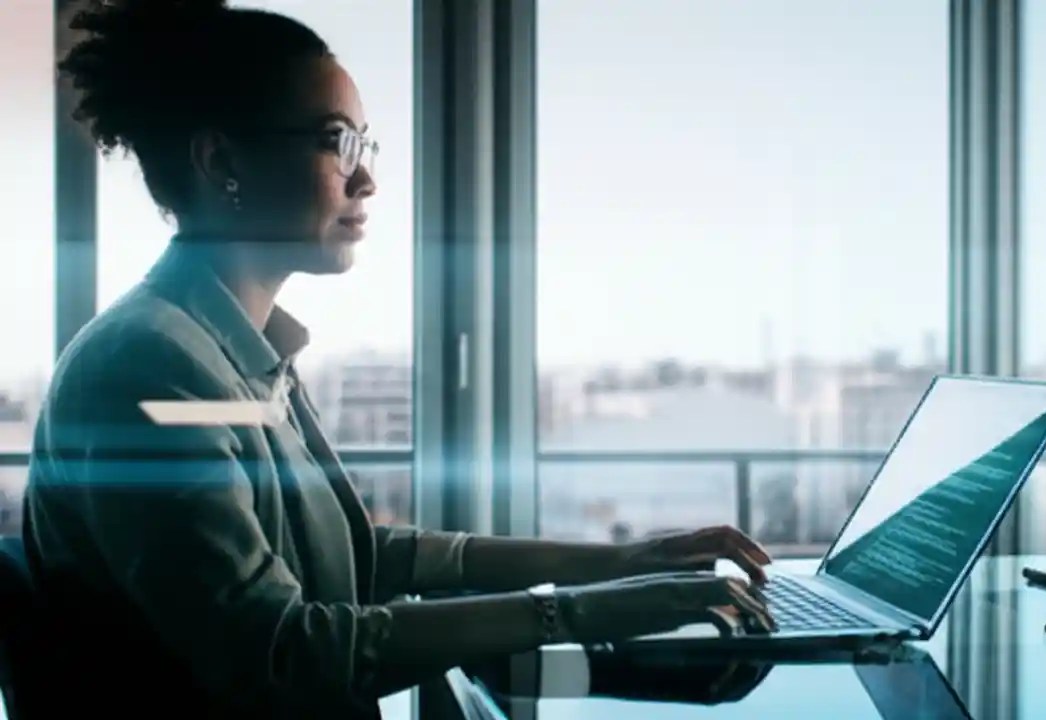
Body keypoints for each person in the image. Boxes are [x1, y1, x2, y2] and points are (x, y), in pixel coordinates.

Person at [22, 1, 776, 718]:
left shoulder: (227, 350)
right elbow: (281, 652)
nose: (367, 179)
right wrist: (572, 612)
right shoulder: (149, 369)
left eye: (364, 144)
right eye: (335, 141)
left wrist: (618, 564)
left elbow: (353, 555)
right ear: (222, 160)